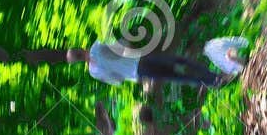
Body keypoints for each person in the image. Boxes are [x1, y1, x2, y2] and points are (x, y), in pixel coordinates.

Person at [82, 36, 248, 89]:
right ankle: (214, 77)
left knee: (178, 76)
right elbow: (123, 45)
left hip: (139, 72)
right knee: (179, 61)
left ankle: (214, 81)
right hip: (141, 60)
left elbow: (117, 80)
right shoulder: (96, 47)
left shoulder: (94, 72)